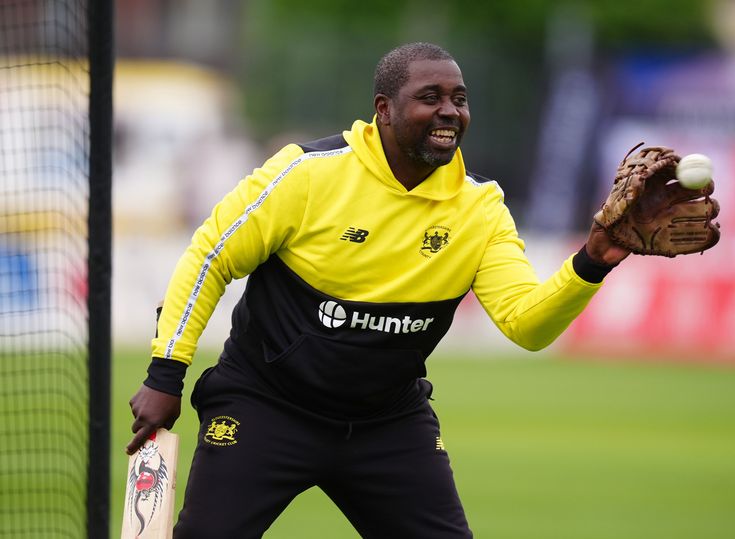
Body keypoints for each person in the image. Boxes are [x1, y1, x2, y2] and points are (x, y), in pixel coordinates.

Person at [127, 42, 629, 538]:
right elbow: (209, 258)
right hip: (264, 407)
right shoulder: (307, 173)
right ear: (384, 110)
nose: (449, 111)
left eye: (459, 99)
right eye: (430, 97)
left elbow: (527, 325)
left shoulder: (481, 207)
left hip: (387, 424)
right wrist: (165, 374)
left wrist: (592, 261)